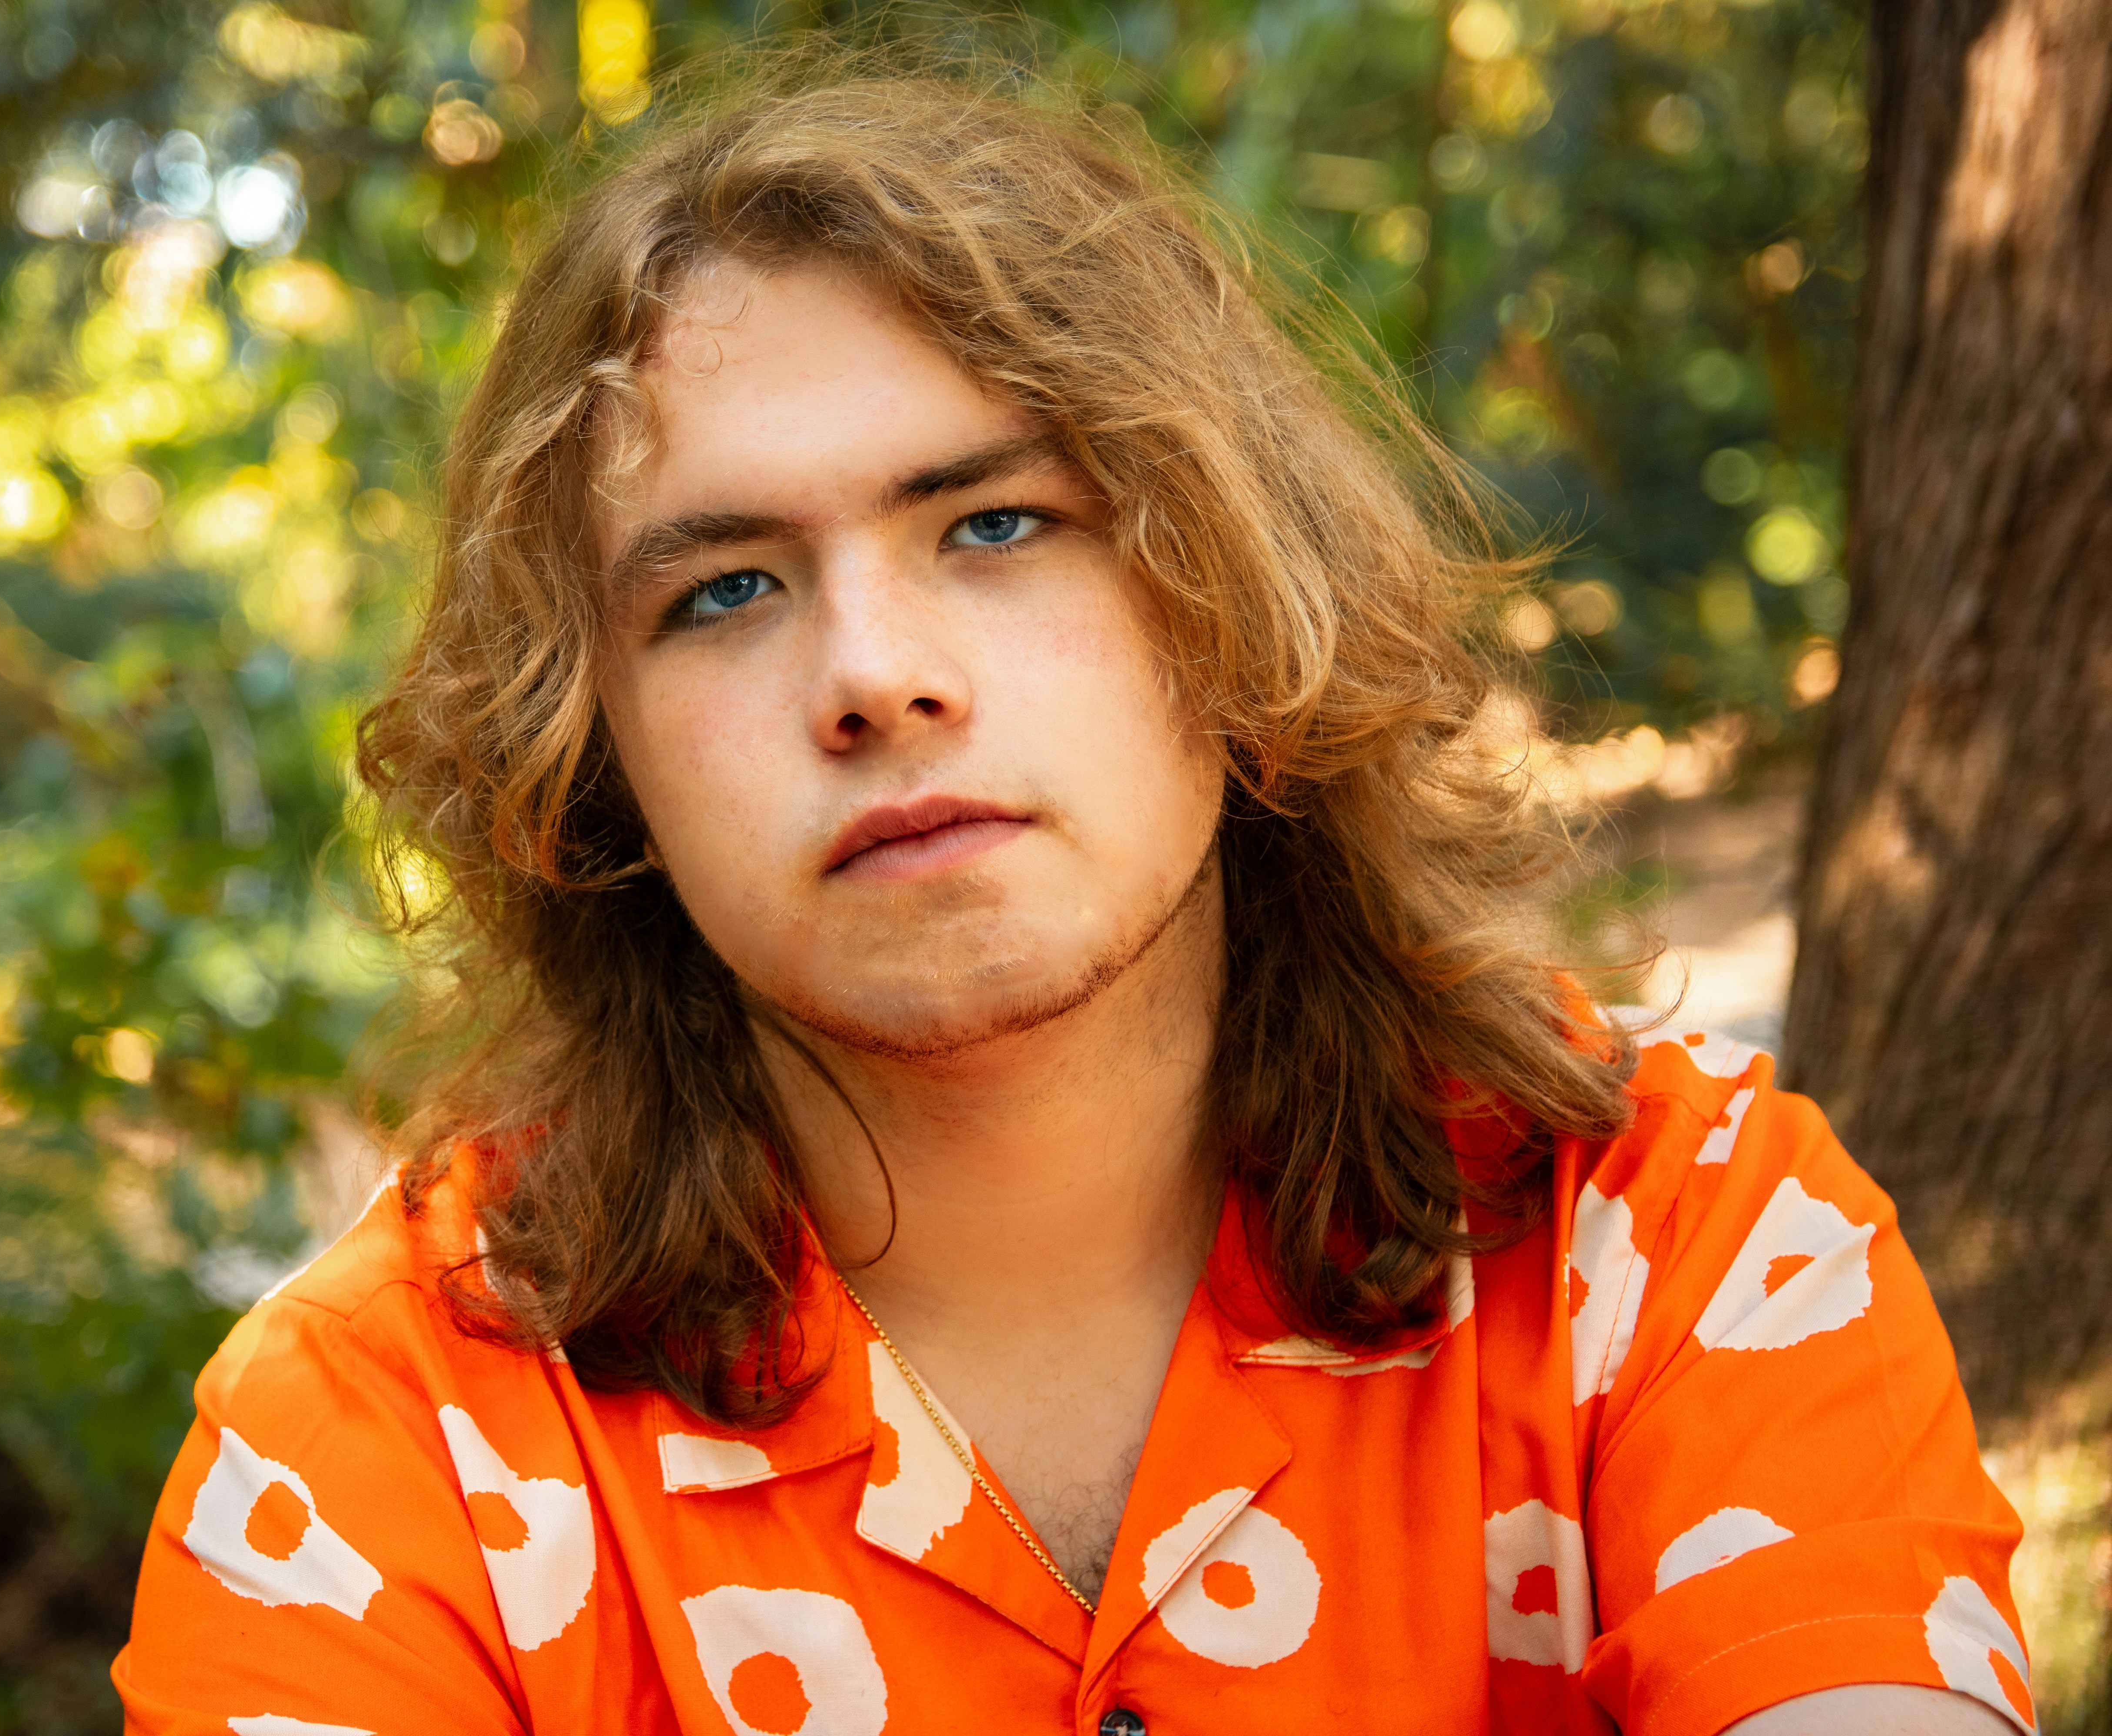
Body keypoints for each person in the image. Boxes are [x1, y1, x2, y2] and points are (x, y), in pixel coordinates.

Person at [112, 61, 2034, 1736]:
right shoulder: (387, 1442)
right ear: (591, 757)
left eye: (998, 522)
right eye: (721, 591)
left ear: (1221, 587)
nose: (875, 671)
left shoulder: (1677, 1246)